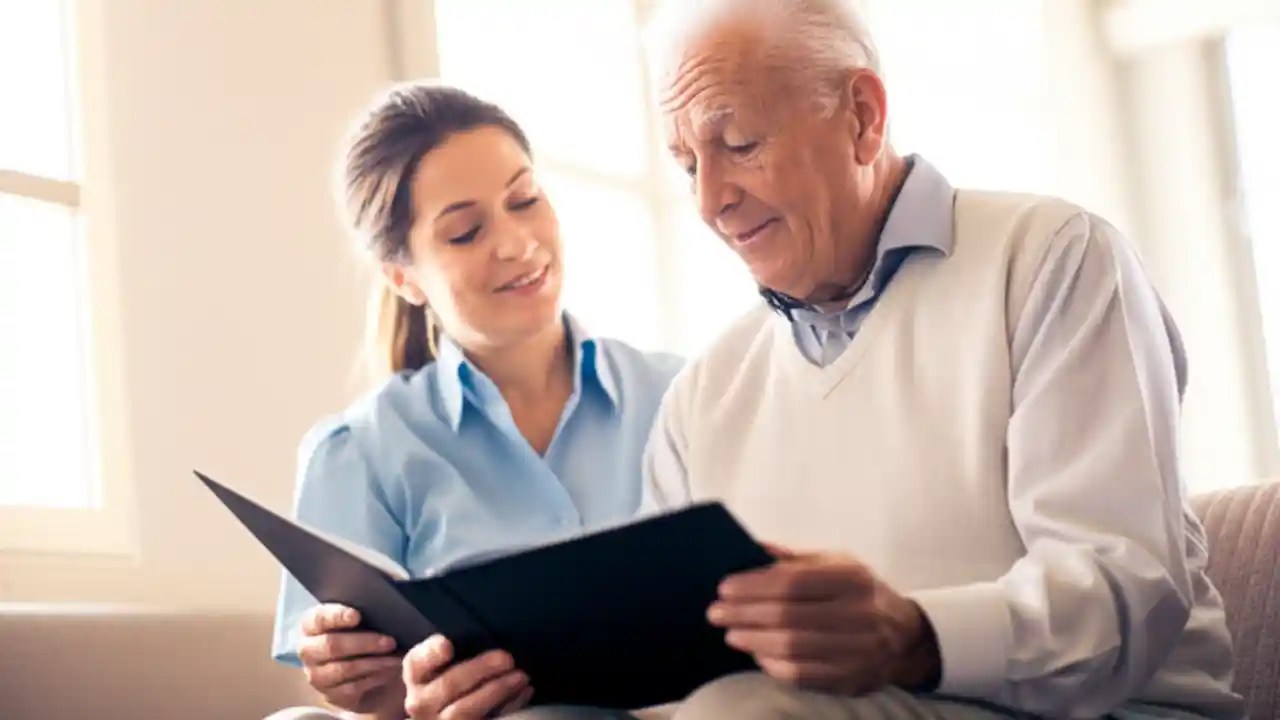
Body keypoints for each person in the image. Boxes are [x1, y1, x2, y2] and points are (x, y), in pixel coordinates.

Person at [627, 0, 1249, 718]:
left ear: (861, 116)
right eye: (686, 165)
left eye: (738, 144)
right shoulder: (702, 395)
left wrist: (916, 635)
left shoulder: (1051, 259)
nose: (711, 200)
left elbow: (1120, 590)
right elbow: (666, 669)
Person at [268, 83, 682, 720]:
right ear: (402, 277)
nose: (517, 242)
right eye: (465, 232)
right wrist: (378, 688)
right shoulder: (361, 450)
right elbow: (364, 697)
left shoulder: (681, 397)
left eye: (525, 200)